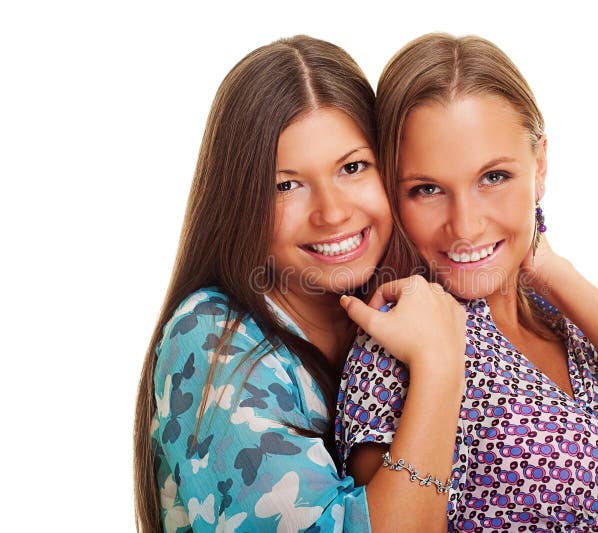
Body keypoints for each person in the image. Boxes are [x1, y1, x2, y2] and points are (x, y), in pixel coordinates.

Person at [336, 33, 598, 532]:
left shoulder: (563, 324)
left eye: (494, 178)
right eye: (427, 189)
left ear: (540, 166)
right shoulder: (395, 345)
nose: (464, 224)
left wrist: (552, 273)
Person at [133, 35, 467, 533]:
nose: (332, 212)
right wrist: (441, 367)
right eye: (286, 185)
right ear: (239, 199)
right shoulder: (210, 338)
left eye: (352, 167)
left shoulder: (411, 307)